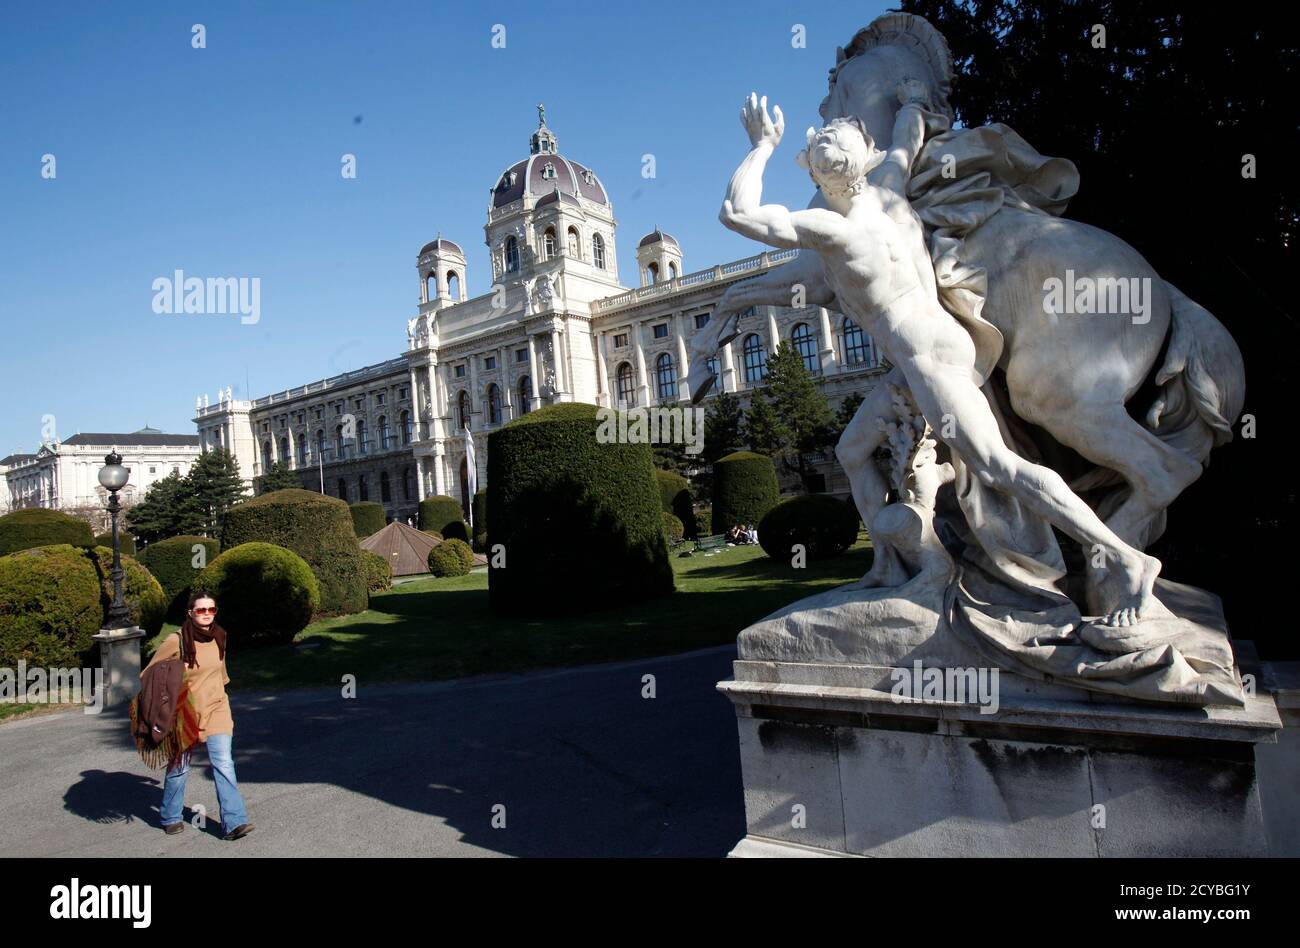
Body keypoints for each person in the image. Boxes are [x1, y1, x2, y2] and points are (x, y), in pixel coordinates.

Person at [716, 90, 1161, 628]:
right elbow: (906, 141)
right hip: (940, 346)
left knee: (1001, 466)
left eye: (827, 141)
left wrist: (762, 145)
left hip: (927, 360)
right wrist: (908, 106)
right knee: (852, 449)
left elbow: (736, 212)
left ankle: (1127, 558)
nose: (825, 142)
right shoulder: (888, 192)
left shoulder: (835, 230)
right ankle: (895, 559)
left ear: (817, 165)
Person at [143, 592, 254, 840]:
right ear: (190, 613)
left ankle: (234, 823)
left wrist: (218, 690)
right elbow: (149, 674)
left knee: (223, 763)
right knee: (179, 767)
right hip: (185, 712)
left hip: (217, 707)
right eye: (201, 610)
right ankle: (170, 816)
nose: (206, 615)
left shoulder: (219, 636)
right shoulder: (177, 641)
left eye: (211, 610)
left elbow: (221, 674)